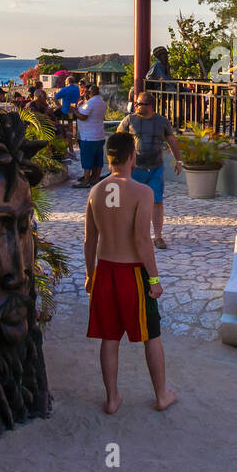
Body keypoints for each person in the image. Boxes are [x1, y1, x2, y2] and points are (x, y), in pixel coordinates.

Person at [83, 131, 176, 414]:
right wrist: (155, 279)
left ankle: (112, 399)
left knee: (109, 338)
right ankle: (161, 395)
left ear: (108, 158)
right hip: (133, 274)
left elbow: (90, 240)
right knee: (152, 335)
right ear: (132, 157)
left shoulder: (96, 191)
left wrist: (90, 274)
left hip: (106, 271)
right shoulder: (142, 192)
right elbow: (142, 239)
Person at [116, 91, 183, 249]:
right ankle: (129, 234)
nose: (137, 106)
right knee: (131, 202)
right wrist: (118, 163)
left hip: (155, 168)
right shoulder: (130, 120)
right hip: (135, 168)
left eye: (141, 104)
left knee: (157, 201)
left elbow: (171, 140)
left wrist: (179, 160)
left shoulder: (162, 121)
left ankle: (158, 236)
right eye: (137, 103)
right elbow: (118, 138)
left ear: (150, 106)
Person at [73, 83, 108, 188]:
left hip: (89, 136)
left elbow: (83, 117)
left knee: (87, 159)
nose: (86, 93)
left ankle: (86, 180)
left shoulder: (91, 103)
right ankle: (96, 178)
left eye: (88, 92)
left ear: (91, 92)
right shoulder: (102, 102)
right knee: (98, 159)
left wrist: (74, 111)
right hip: (99, 135)